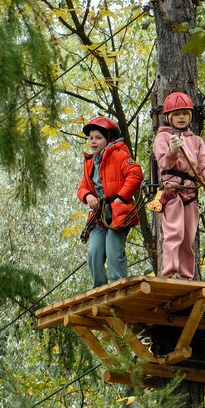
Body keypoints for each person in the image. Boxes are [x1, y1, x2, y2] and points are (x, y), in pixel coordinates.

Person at [153, 92, 205, 279]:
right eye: (177, 114)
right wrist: (172, 151)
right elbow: (164, 164)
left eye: (184, 114)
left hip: (191, 193)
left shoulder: (196, 141)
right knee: (174, 232)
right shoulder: (163, 138)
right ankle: (170, 272)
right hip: (172, 192)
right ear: (169, 117)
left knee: (188, 236)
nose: (181, 117)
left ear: (189, 116)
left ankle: (186, 275)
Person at [77, 116, 144, 289]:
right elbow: (82, 187)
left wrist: (121, 197)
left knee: (114, 251)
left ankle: (118, 285)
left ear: (108, 138)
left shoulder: (119, 154)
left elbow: (135, 174)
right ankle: (98, 288)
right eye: (91, 138)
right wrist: (87, 196)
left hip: (118, 214)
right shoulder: (90, 163)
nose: (93, 142)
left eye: (98, 138)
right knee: (94, 252)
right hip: (99, 217)